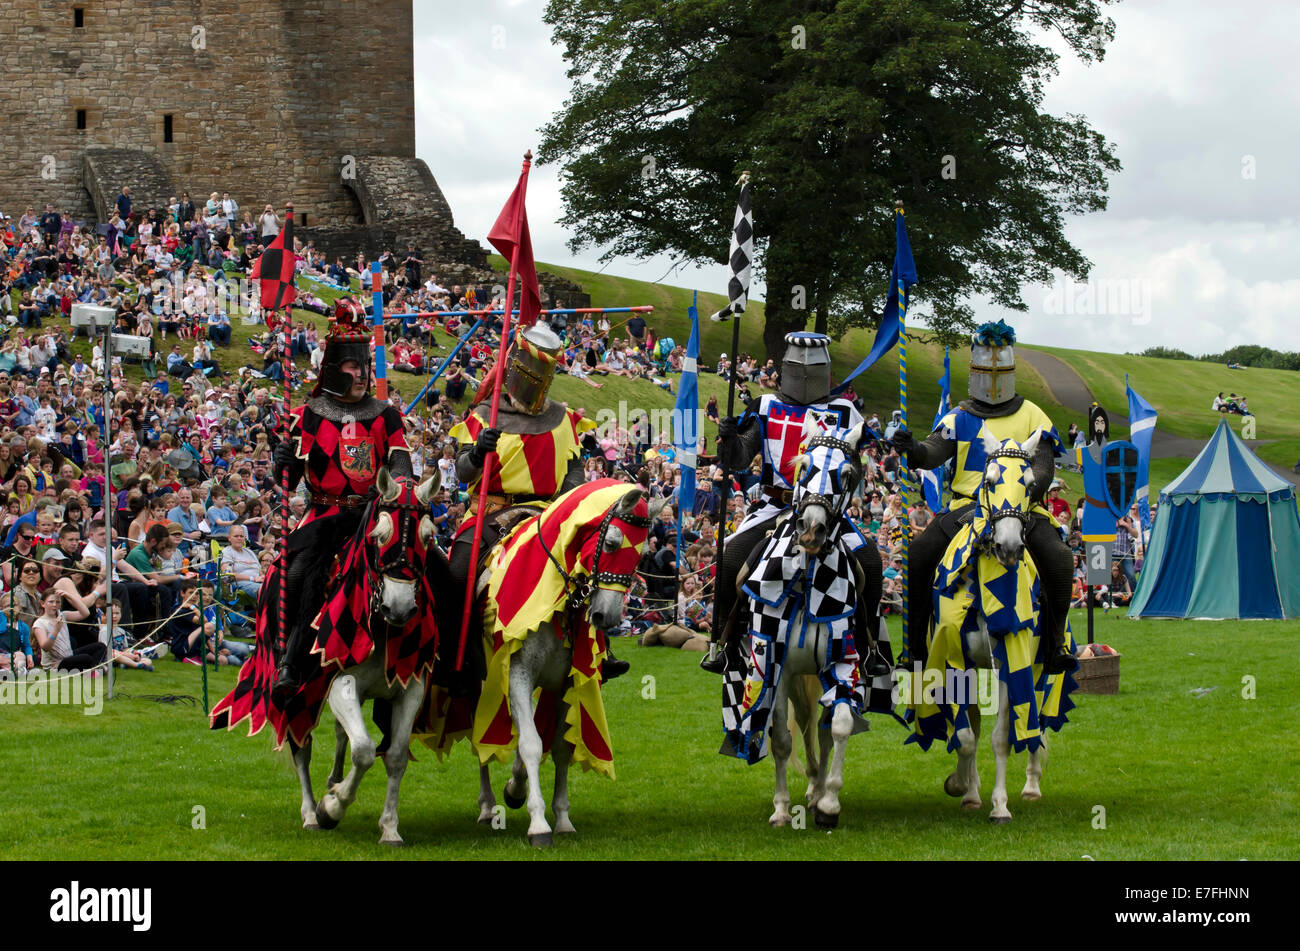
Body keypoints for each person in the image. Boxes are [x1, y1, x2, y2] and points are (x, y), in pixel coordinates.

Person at [890, 321, 1074, 674]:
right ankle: (913, 650)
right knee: (919, 555)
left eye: (998, 370)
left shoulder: (1032, 415)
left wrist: (1016, 499)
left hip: (1022, 510)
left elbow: (1044, 468)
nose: (991, 379)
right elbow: (932, 453)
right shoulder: (960, 417)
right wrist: (911, 447)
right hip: (964, 509)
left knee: (1058, 557)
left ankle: (1054, 645)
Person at [701, 332, 888, 677]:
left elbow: (857, 466)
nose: (804, 373)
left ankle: (867, 647)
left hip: (827, 510)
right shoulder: (765, 406)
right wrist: (727, 441)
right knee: (730, 560)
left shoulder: (845, 412)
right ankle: (725, 645)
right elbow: (741, 459)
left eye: (813, 366)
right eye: (798, 364)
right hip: (775, 506)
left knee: (871, 564)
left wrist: (844, 479)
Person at [445, 322, 619, 683]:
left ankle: (599, 650)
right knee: (458, 575)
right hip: (491, 514)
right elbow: (462, 472)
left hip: (545, 515)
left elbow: (573, 479)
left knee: (586, 567)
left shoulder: (562, 420)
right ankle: (453, 661)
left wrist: (571, 511)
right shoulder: (483, 415)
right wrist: (478, 452)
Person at [268, 298, 413, 700]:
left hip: (373, 515)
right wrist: (281, 461)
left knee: (427, 562)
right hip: (323, 515)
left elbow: (401, 465)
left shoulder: (386, 415)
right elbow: (287, 479)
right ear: (333, 367)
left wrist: (397, 486)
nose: (362, 375)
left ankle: (441, 660)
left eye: (364, 367)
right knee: (297, 577)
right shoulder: (306, 416)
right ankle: (290, 663)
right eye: (353, 367)